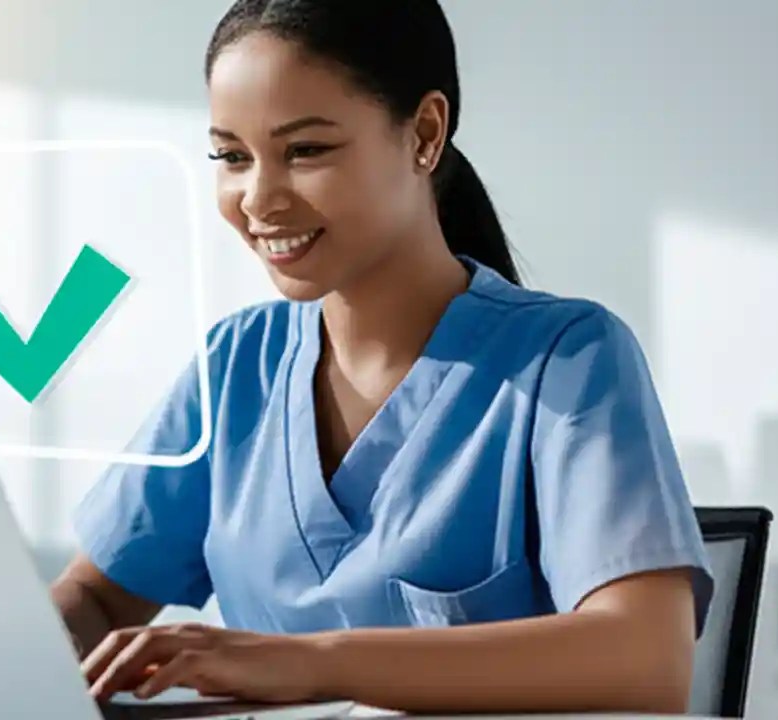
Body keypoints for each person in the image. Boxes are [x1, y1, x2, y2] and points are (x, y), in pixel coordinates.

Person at [49, 0, 714, 714]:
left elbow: (646, 659)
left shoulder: (566, 360)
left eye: (304, 150)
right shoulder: (236, 364)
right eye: (232, 158)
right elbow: (96, 596)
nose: (259, 198)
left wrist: (309, 664)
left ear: (425, 134)